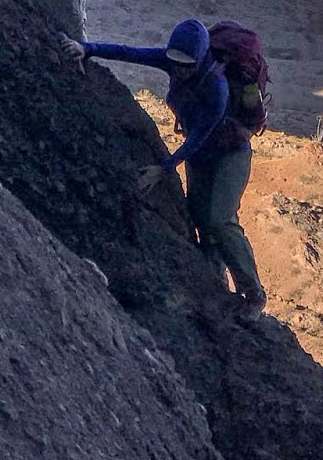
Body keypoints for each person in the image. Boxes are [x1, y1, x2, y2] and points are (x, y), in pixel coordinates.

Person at [64, 19, 267, 321]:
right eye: (175, 63)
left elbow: (201, 134)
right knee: (198, 214)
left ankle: (253, 295)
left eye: (187, 65)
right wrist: (87, 48)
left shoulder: (218, 88)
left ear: (199, 59)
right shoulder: (174, 62)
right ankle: (216, 281)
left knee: (218, 219)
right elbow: (130, 52)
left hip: (229, 154)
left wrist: (165, 168)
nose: (180, 70)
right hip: (202, 153)